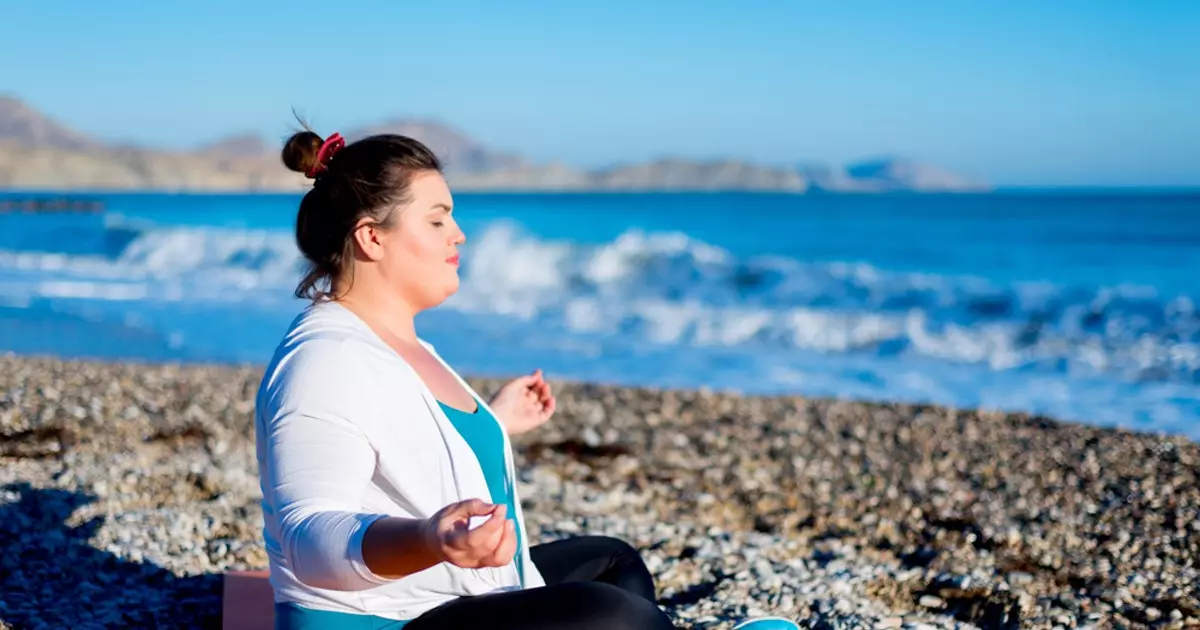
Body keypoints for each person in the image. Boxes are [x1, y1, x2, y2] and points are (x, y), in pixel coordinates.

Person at [254, 125, 800, 630]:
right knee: (612, 612)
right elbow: (309, 536)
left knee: (612, 564)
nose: (459, 235)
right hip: (389, 619)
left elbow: (403, 442)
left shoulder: (404, 346)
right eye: (438, 218)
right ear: (372, 238)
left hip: (449, 594)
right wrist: (428, 539)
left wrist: (493, 421)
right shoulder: (323, 360)